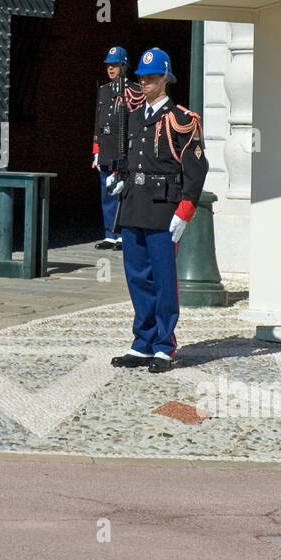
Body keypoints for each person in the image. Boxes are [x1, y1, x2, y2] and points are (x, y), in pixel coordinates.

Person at [105, 48, 208, 374]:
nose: (145, 83)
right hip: (135, 204)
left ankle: (164, 345)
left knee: (163, 279)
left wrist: (186, 209)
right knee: (137, 277)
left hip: (164, 207)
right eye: (142, 78)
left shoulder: (181, 120)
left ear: (166, 78)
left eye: (151, 78)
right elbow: (131, 156)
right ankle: (142, 341)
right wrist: (120, 179)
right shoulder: (135, 116)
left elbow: (197, 168)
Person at [92, 46, 144, 250]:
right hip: (106, 147)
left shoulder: (134, 90)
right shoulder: (104, 90)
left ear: (124, 66)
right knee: (107, 191)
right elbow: (98, 121)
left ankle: (123, 232)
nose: (110, 69)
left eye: (115, 65)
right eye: (109, 65)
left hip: (122, 148)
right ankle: (109, 233)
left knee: (124, 192)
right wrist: (96, 150)